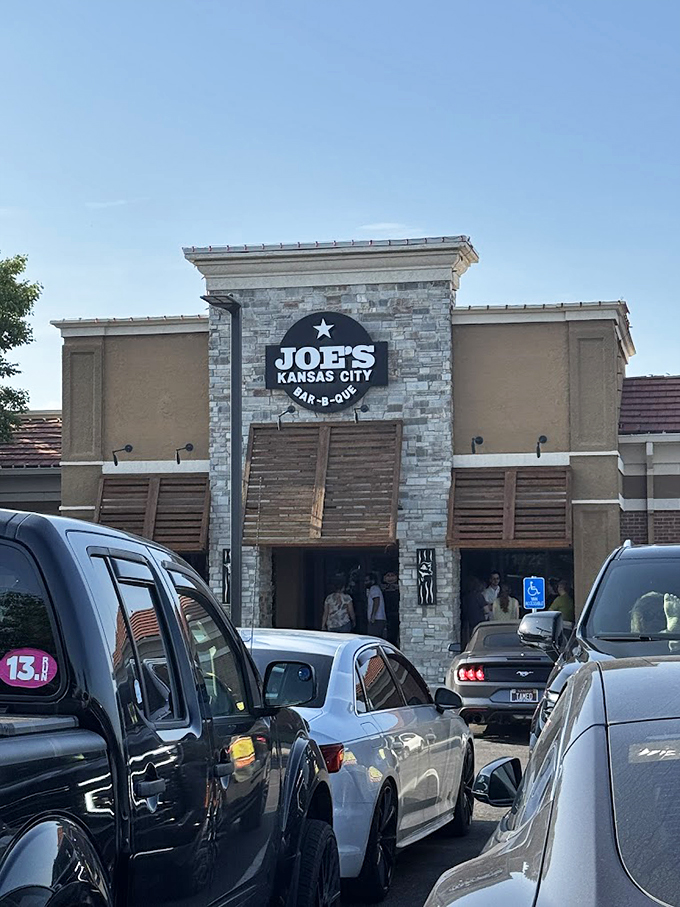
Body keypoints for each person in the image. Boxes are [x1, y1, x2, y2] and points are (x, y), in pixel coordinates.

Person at [461, 577, 487, 646]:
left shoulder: (465, 597)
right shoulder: (479, 596)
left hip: (468, 623)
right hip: (480, 622)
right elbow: (486, 609)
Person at [365, 573, 386, 638]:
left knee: (374, 637)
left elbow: (376, 601)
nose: (365, 582)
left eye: (367, 580)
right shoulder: (373, 589)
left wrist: (373, 615)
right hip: (377, 619)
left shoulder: (374, 588)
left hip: (377, 619)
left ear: (372, 581)